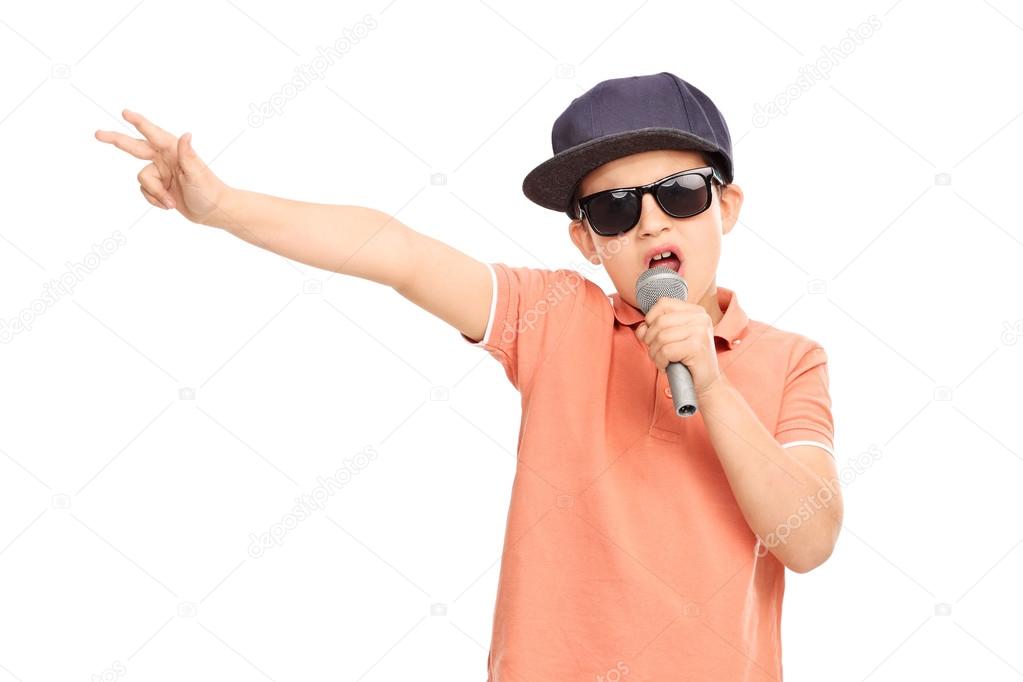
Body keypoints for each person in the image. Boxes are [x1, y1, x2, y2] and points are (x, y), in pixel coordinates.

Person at [96, 70, 843, 681]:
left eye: (679, 193)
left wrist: (708, 382)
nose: (650, 223)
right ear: (586, 240)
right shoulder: (553, 317)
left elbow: (806, 542)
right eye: (614, 211)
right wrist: (224, 206)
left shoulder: (790, 360)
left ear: (727, 205)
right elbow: (400, 253)